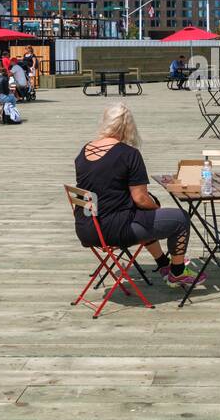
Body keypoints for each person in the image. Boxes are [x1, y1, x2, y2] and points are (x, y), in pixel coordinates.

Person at [73, 102, 197, 286]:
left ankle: (163, 263)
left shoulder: (85, 151)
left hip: (87, 227)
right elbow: (140, 198)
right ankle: (177, 273)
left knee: (144, 215)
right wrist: (155, 207)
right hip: (114, 230)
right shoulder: (129, 154)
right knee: (180, 219)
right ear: (127, 126)